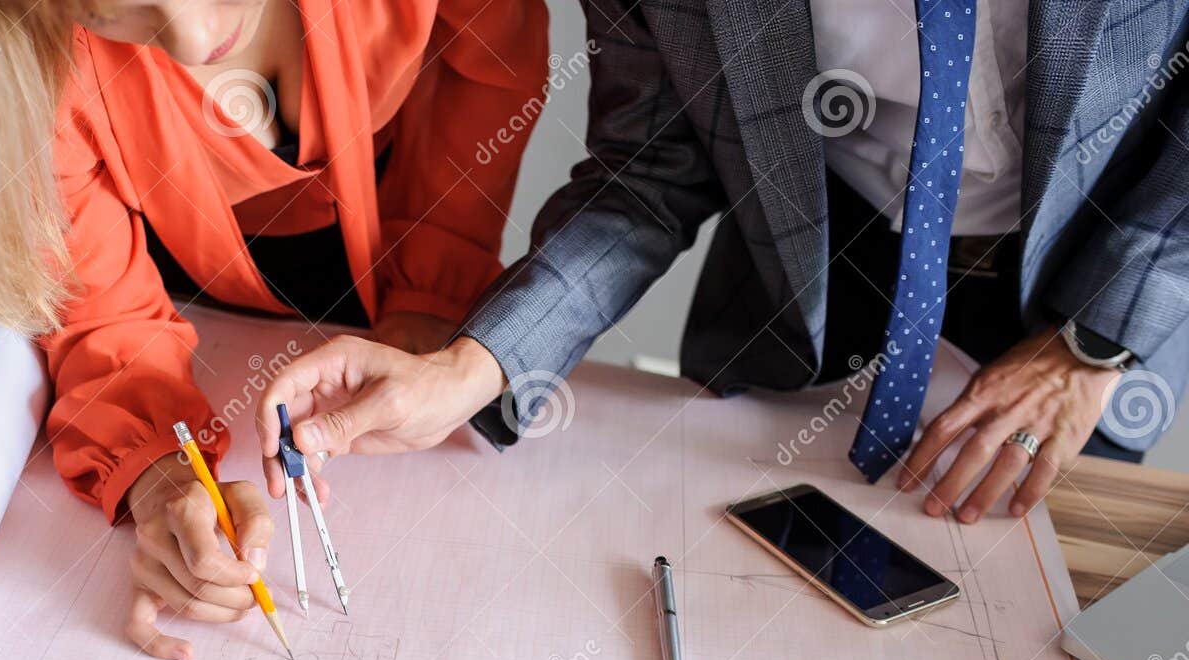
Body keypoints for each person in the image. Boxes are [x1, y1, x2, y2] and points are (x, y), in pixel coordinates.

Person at [259, 0, 1189, 528]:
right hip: (808, 284)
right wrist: (471, 367)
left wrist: (1093, 342)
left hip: (1095, 280)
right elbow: (646, 170)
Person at [0, 0, 547, 660]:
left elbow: (486, 53)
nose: (196, 41)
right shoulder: (27, 60)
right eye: (115, 14)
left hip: (406, 211)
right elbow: (103, 314)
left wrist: (432, 288)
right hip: (169, 284)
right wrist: (158, 472)